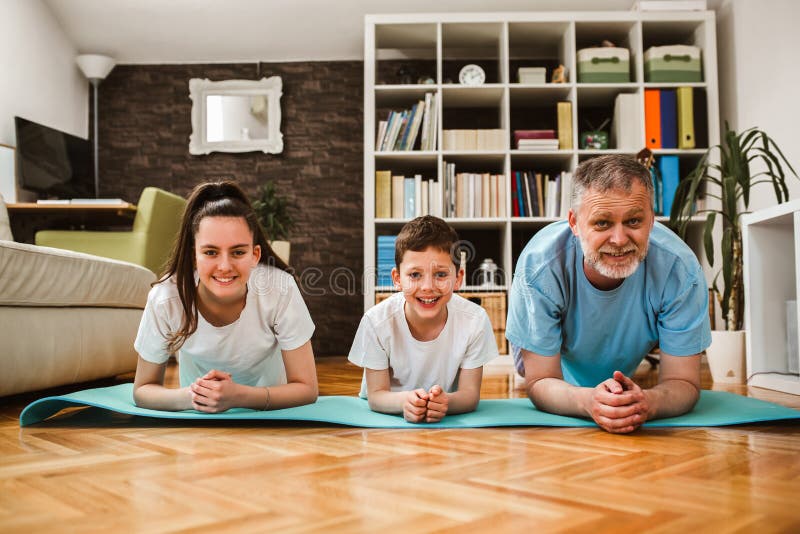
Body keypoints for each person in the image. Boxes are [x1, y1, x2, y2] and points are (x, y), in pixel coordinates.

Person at [506, 155, 711, 434]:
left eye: (634, 221)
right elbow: (540, 380)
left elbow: (684, 382)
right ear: (574, 223)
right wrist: (588, 401)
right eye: (602, 223)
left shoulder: (681, 271)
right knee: (535, 371)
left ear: (652, 220)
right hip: (552, 359)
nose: (619, 240)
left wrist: (648, 402)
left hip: (623, 354)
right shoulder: (538, 267)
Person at [133, 180, 318, 412]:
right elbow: (143, 389)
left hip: (269, 416)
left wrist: (238, 396)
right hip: (197, 417)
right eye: (211, 252)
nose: (224, 266)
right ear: (194, 255)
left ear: (255, 255)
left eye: (238, 252)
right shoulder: (166, 298)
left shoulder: (280, 288)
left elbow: (307, 388)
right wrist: (194, 397)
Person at [348, 215, 498, 423]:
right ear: (397, 279)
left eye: (441, 275)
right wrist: (405, 402)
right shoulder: (376, 321)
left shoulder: (475, 320)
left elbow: (470, 395)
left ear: (458, 278)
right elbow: (376, 396)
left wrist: (446, 403)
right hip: (390, 415)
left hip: (445, 414)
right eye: (415, 275)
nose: (427, 287)